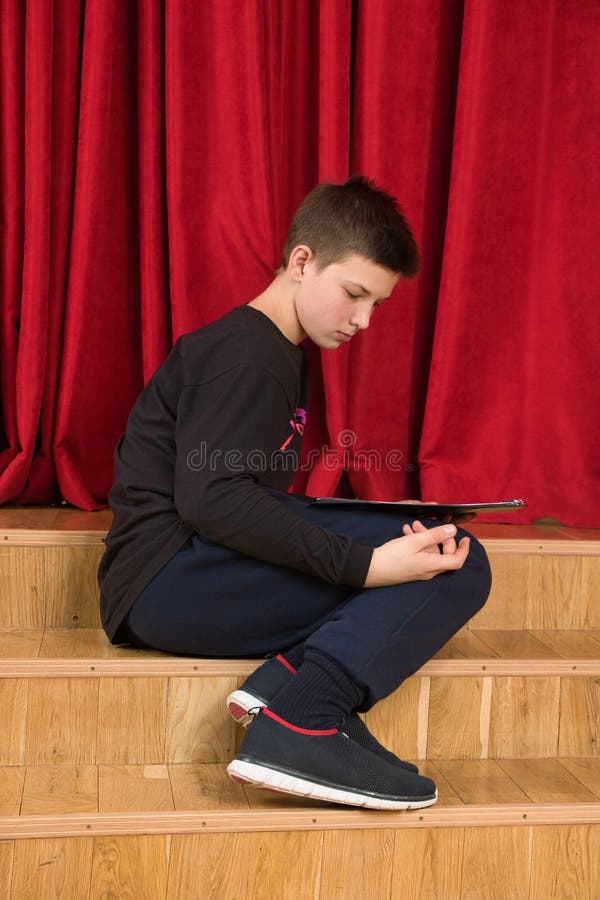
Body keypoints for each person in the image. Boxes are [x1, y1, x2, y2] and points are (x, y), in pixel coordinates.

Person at [98, 176, 491, 811]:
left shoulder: (277, 352)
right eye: (354, 294)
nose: (363, 320)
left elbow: (246, 501)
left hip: (176, 579)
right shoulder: (247, 356)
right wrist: (361, 561)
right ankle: (304, 720)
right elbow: (215, 499)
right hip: (166, 583)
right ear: (302, 262)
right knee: (458, 561)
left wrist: (369, 535)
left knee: (430, 543)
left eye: (377, 305)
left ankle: (286, 689)